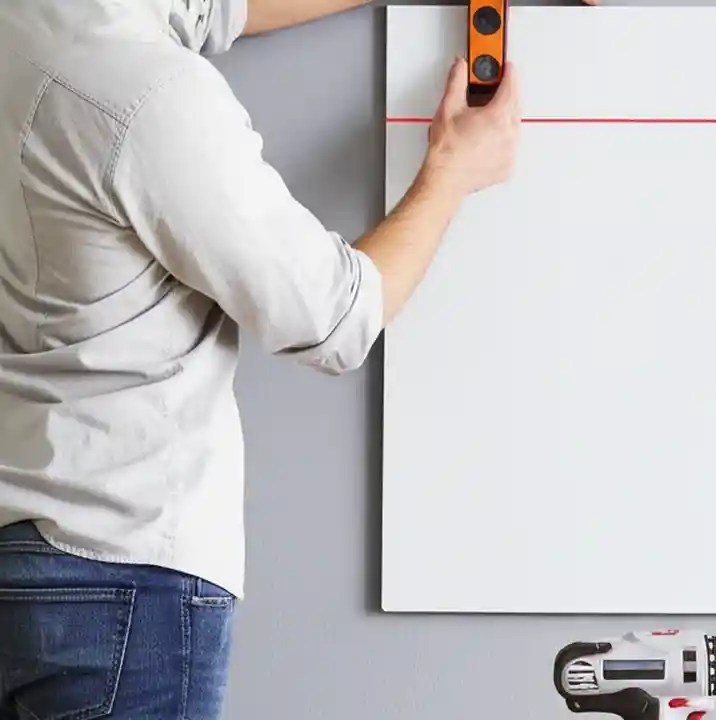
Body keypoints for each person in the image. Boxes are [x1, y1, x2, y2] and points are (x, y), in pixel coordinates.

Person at [0, 0, 595, 717]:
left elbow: (210, 5)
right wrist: (451, 172)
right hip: (124, 576)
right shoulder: (146, 94)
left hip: (24, 562)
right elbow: (335, 318)